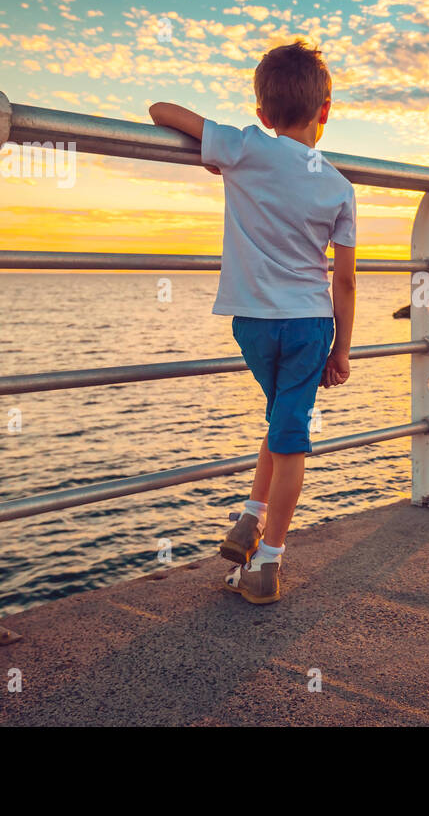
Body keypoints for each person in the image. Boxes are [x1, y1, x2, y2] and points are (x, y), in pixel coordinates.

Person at [148, 39, 356, 604]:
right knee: (292, 436)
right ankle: (267, 563)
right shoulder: (339, 186)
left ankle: (249, 518)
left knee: (280, 417)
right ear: (326, 111)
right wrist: (341, 349)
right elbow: (345, 280)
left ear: (263, 114)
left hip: (253, 325)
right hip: (311, 324)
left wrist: (232, 137)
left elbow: (160, 112)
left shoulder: (243, 148)